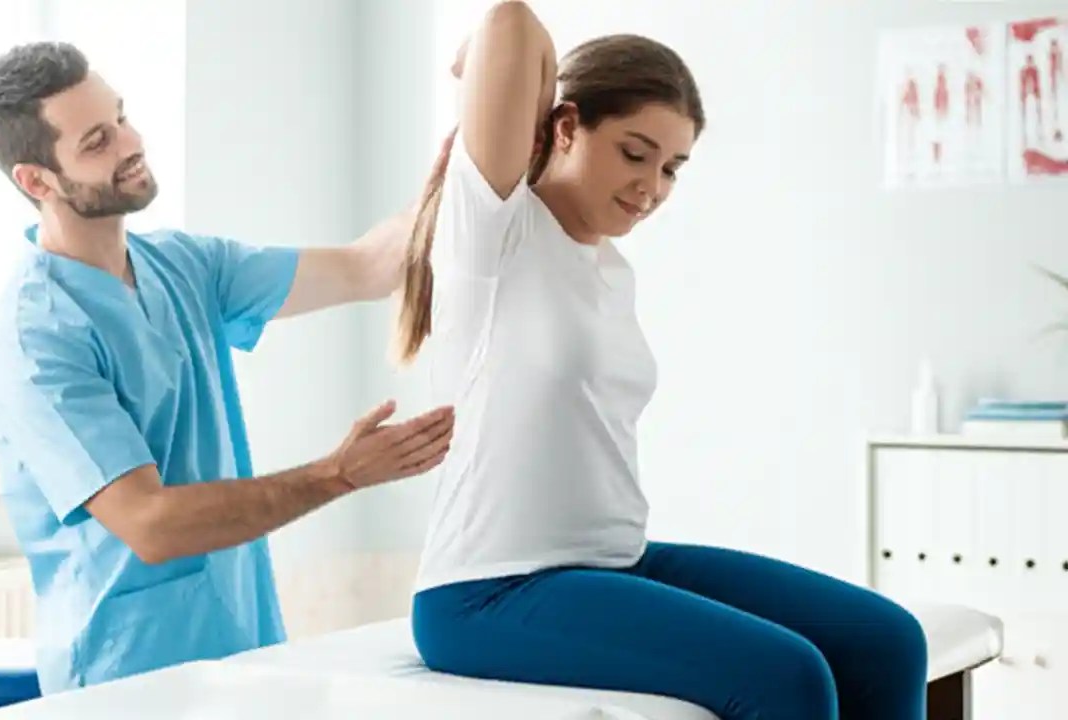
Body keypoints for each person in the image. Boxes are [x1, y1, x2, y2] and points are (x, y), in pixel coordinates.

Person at [395, 3, 927, 719]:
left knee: (887, 640)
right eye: (634, 152)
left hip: (618, 562)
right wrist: (476, 63)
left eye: (673, 167)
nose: (653, 187)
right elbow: (509, 23)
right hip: (491, 589)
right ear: (566, 126)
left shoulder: (612, 270)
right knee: (790, 679)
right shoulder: (494, 234)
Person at [0, 42, 454, 694]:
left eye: (122, 118)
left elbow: (368, 266)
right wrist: (337, 475)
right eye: (97, 142)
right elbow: (152, 523)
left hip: (240, 651)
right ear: (37, 181)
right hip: (126, 679)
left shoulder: (184, 266)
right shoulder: (38, 338)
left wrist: (471, 155)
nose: (131, 143)